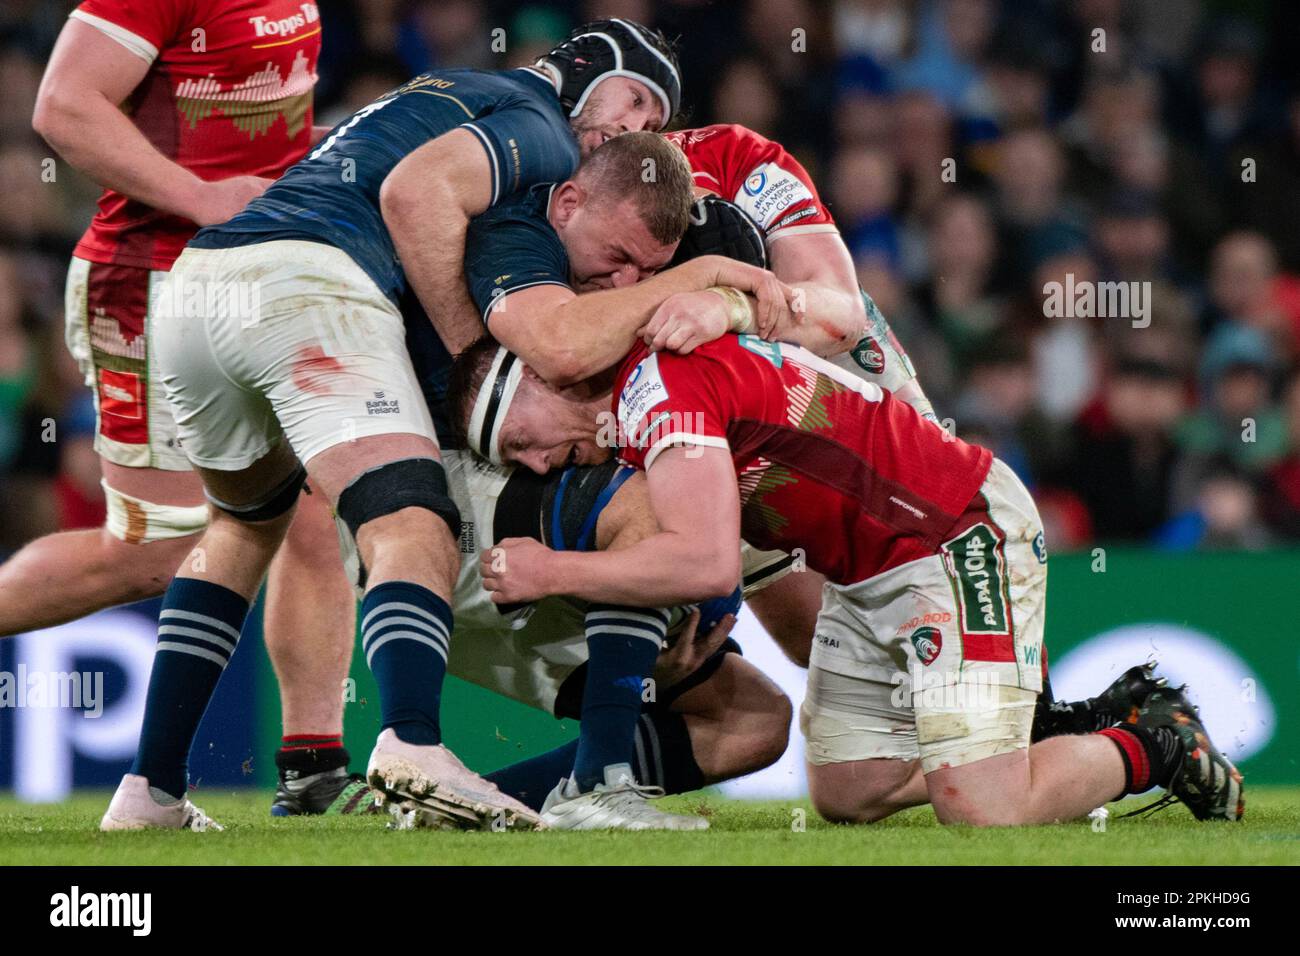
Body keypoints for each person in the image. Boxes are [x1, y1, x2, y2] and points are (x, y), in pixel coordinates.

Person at [98, 18, 685, 832]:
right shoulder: (539, 123)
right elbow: (414, 194)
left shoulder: (448, 90)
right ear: (584, 72)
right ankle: (412, 741)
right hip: (306, 278)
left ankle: (148, 791)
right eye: (635, 101)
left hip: (202, 286)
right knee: (412, 519)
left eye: (655, 123)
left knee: (241, 527)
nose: (637, 130)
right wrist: (477, 366)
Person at [454, 333, 1245, 827]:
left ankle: (1155, 742)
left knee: (984, 811)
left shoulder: (660, 390)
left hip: (952, 530)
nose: (531, 464)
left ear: (553, 378)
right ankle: (1047, 736)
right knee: (848, 790)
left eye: (519, 437)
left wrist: (550, 569)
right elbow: (717, 568)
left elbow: (706, 561)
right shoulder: (638, 414)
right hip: (866, 571)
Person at [360, 448, 792, 830]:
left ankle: (442, 810)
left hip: (538, 587)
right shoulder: (678, 387)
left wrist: (636, 666)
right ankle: (595, 785)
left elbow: (807, 634)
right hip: (430, 531)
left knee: (753, 721)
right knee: (647, 508)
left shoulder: (758, 446)